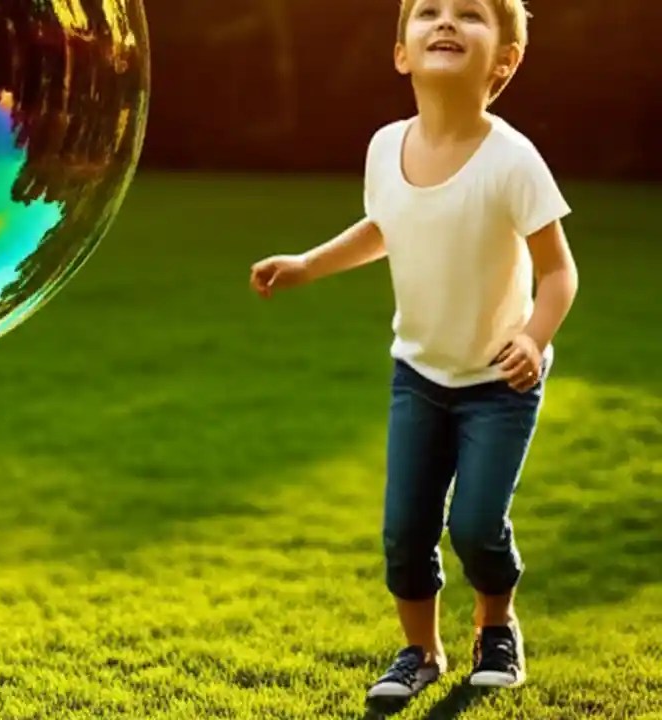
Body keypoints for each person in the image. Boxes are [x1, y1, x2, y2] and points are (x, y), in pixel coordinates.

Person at [248, 0, 579, 703]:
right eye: (428, 11)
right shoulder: (384, 146)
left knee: (477, 526)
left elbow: (559, 272)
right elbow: (385, 225)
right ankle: (419, 651)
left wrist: (533, 336)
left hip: (499, 380)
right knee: (405, 531)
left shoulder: (512, 160)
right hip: (419, 375)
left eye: (471, 14)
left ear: (506, 61)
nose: (446, 22)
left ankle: (496, 627)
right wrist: (308, 264)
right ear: (402, 52)